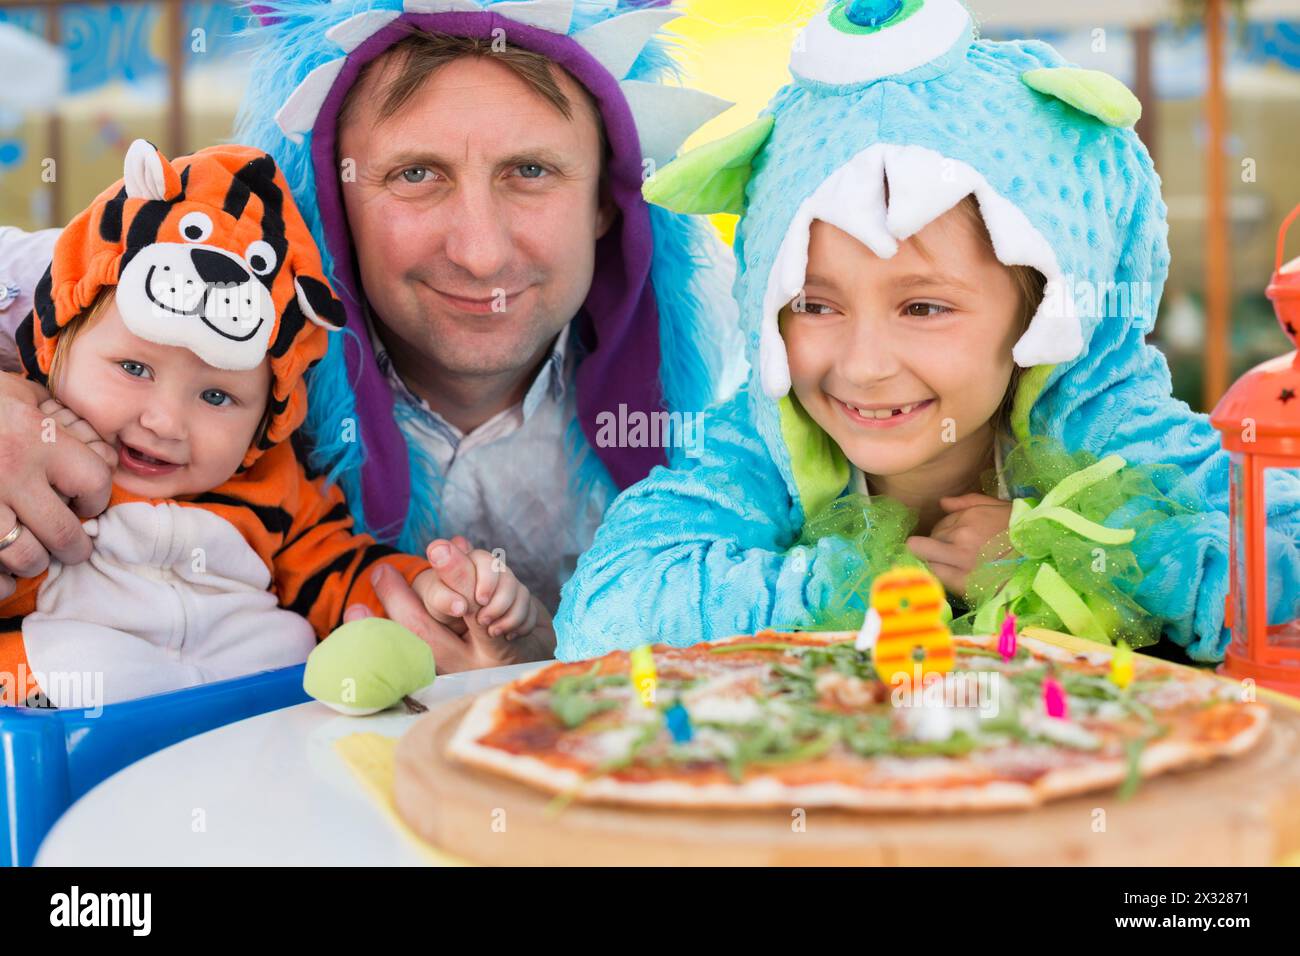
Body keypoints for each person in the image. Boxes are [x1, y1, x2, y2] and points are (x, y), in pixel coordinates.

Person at [554, 0, 1300, 662]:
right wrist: (867, 583)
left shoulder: (1112, 429)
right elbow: (607, 612)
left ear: (1040, 310)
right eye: (816, 305)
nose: (865, 364)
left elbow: (1284, 561)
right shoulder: (756, 451)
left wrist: (1056, 549)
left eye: (923, 308)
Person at [0, 0, 738, 658]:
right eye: (416, 175)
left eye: (531, 171)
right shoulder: (220, 280)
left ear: (608, 200)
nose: (480, 254)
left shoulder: (740, 364)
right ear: (328, 200)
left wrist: (546, 658)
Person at [0, 139, 547, 708]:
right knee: (79, 666)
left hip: (254, 725)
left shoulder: (277, 490)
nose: (164, 421)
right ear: (55, 347)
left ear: (269, 418)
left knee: (305, 655)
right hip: (70, 714)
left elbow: (344, 573)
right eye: (134, 368)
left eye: (217, 396)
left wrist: (437, 593)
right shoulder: (31, 458)